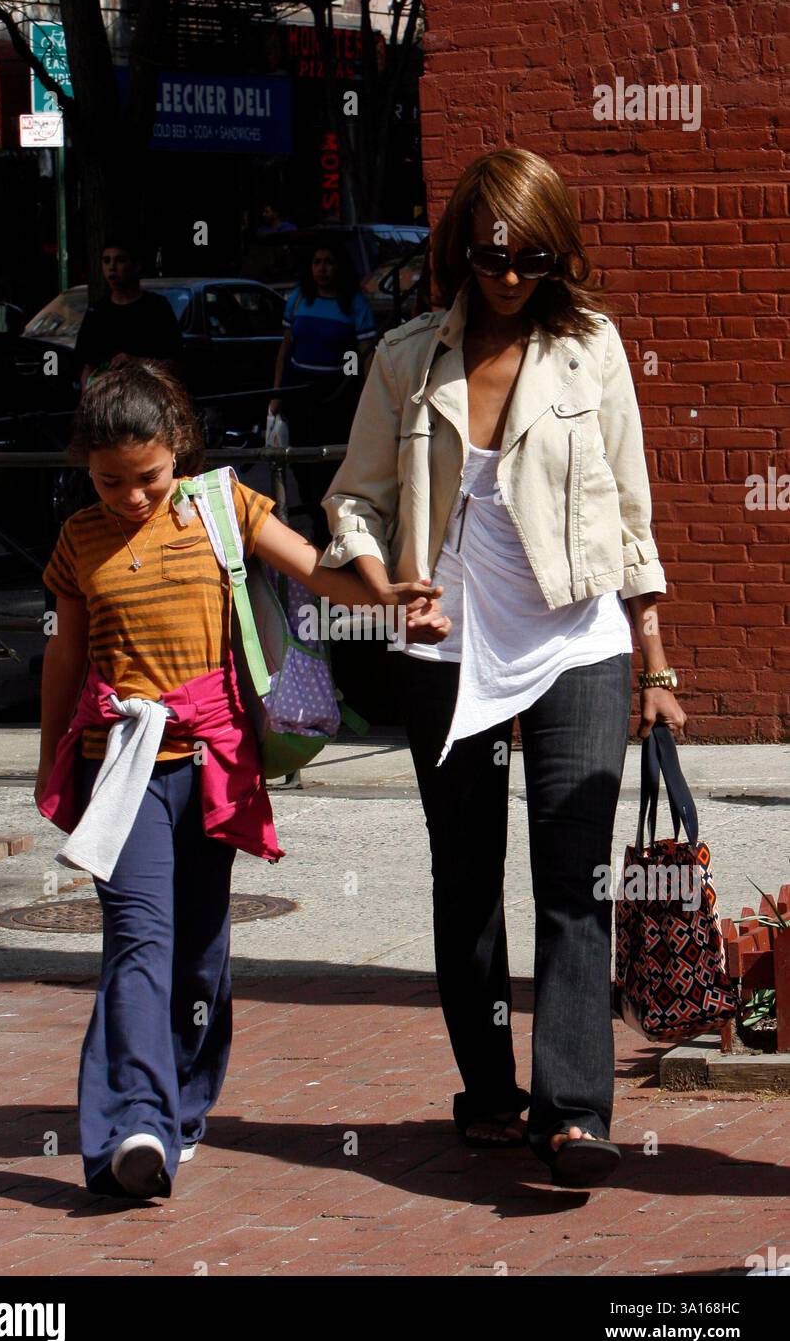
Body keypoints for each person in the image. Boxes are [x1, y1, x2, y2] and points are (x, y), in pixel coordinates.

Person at [317, 148, 687, 1189]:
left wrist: (654, 657)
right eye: (490, 256)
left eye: (530, 255)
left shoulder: (591, 349)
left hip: (577, 640)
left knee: (574, 880)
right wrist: (384, 578)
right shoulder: (404, 361)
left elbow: (630, 510)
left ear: (556, 250)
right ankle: (488, 1088)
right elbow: (353, 500)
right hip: (449, 646)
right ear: (460, 252)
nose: (510, 275)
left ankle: (573, 1112)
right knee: (467, 880)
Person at [34, 358, 448, 1200]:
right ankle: (131, 1126)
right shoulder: (79, 540)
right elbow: (64, 657)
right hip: (122, 768)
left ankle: (182, 1107)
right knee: (139, 943)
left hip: (217, 764)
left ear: (177, 449)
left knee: (199, 951)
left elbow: (314, 573)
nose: (130, 497)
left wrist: (387, 601)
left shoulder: (224, 505)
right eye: (109, 481)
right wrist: (52, 764)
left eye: (146, 477)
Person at [269, 238, 377, 544]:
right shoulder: (300, 299)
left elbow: (365, 353)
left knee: (331, 464)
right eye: (317, 262)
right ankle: (315, 523)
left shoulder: (354, 304)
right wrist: (277, 395)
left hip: (337, 397)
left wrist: (367, 397)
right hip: (300, 395)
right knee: (301, 464)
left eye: (329, 262)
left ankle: (331, 529)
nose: (322, 269)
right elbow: (286, 347)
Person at [73, 235, 184, 391]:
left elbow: (175, 366)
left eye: (120, 260)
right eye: (106, 261)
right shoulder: (96, 313)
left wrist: (137, 363)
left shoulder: (157, 308)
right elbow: (87, 367)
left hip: (150, 402)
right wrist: (89, 396)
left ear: (137, 266)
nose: (112, 267)